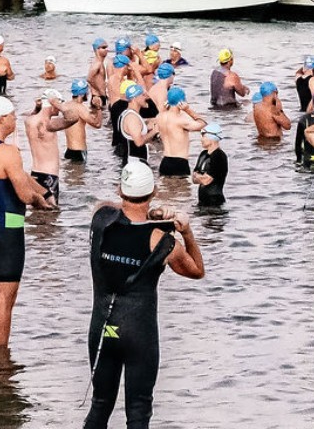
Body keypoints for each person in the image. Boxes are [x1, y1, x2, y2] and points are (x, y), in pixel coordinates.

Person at [82, 161, 207, 429]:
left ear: (119, 189)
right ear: (153, 191)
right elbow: (197, 271)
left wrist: (147, 211)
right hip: (139, 332)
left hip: (102, 328)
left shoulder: (100, 220)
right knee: (138, 411)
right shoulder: (163, 241)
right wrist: (186, 231)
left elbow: (108, 206)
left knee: (100, 405)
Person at [0, 96, 52, 348]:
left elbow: (15, 175)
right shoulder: (8, 151)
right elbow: (24, 195)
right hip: (8, 226)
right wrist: (40, 200)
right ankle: (2, 354)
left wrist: (43, 190)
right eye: (13, 115)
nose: (16, 119)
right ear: (2, 119)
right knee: (6, 295)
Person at [191, 129, 228, 207]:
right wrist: (201, 177)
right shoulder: (203, 154)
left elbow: (206, 181)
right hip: (202, 201)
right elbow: (193, 178)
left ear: (212, 138)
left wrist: (199, 176)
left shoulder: (219, 155)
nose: (201, 139)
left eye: (204, 136)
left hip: (215, 201)